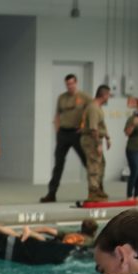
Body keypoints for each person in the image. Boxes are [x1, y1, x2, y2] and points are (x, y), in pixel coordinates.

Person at [41, 73, 94, 204]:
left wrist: (85, 127)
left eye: (72, 83)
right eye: (67, 84)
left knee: (87, 162)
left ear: (76, 83)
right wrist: (57, 130)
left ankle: (96, 190)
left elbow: (93, 111)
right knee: (58, 164)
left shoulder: (84, 97)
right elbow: (57, 115)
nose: (70, 86)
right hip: (63, 133)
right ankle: (51, 193)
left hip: (77, 133)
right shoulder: (62, 98)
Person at [84, 83, 114, 202]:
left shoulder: (98, 107)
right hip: (91, 140)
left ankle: (98, 189)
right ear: (104, 95)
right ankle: (93, 192)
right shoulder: (94, 108)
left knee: (101, 164)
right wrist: (98, 144)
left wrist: (107, 137)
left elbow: (101, 126)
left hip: (96, 138)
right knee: (94, 165)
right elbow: (93, 129)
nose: (109, 98)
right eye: (108, 95)